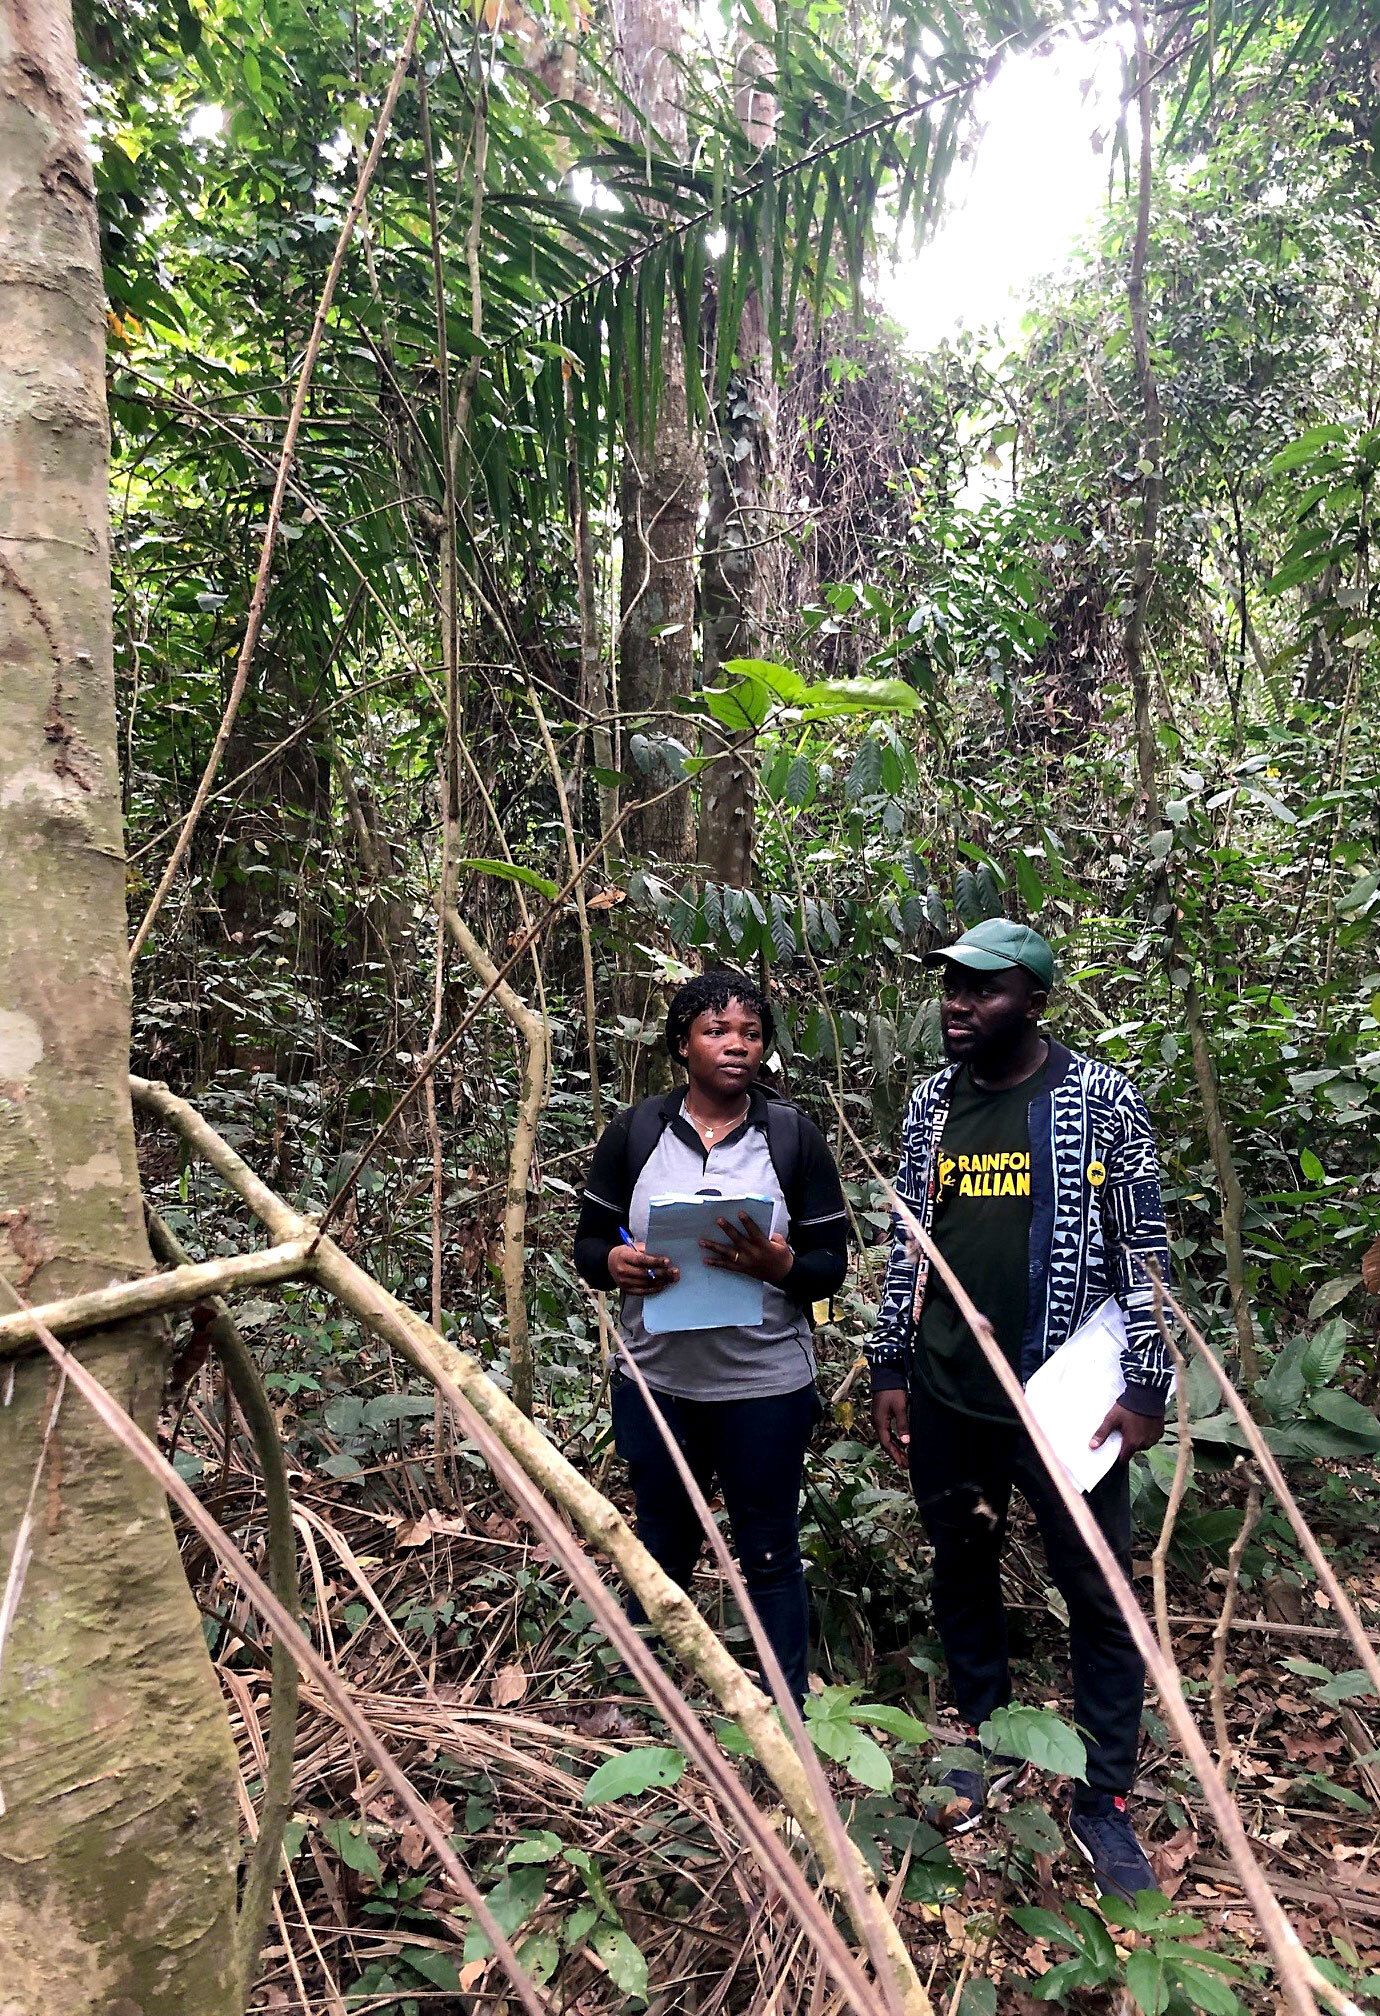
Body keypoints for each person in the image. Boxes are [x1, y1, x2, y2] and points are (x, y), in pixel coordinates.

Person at [867, 919, 1171, 1903]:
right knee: (963, 1569)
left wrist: (1146, 1382)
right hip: (954, 1394)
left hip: (1068, 1397)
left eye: (984, 989)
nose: (958, 1004)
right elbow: (909, 1238)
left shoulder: (1097, 1096)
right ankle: (989, 1741)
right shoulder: (930, 1104)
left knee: (1098, 1594)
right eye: (951, 985)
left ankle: (1105, 1801)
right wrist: (888, 1366)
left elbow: (1145, 1251)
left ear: (1033, 1002)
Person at [574, 969, 848, 1705]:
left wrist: (780, 1263)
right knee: (661, 1540)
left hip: (763, 1386)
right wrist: (617, 1263)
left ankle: (784, 1707)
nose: (736, 1046)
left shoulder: (791, 1138)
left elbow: (831, 1267)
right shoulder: (635, 1132)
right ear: (682, 1044)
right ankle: (643, 1700)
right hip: (656, 1381)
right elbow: (589, 1245)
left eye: (751, 1034)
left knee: (768, 1550)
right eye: (716, 1031)